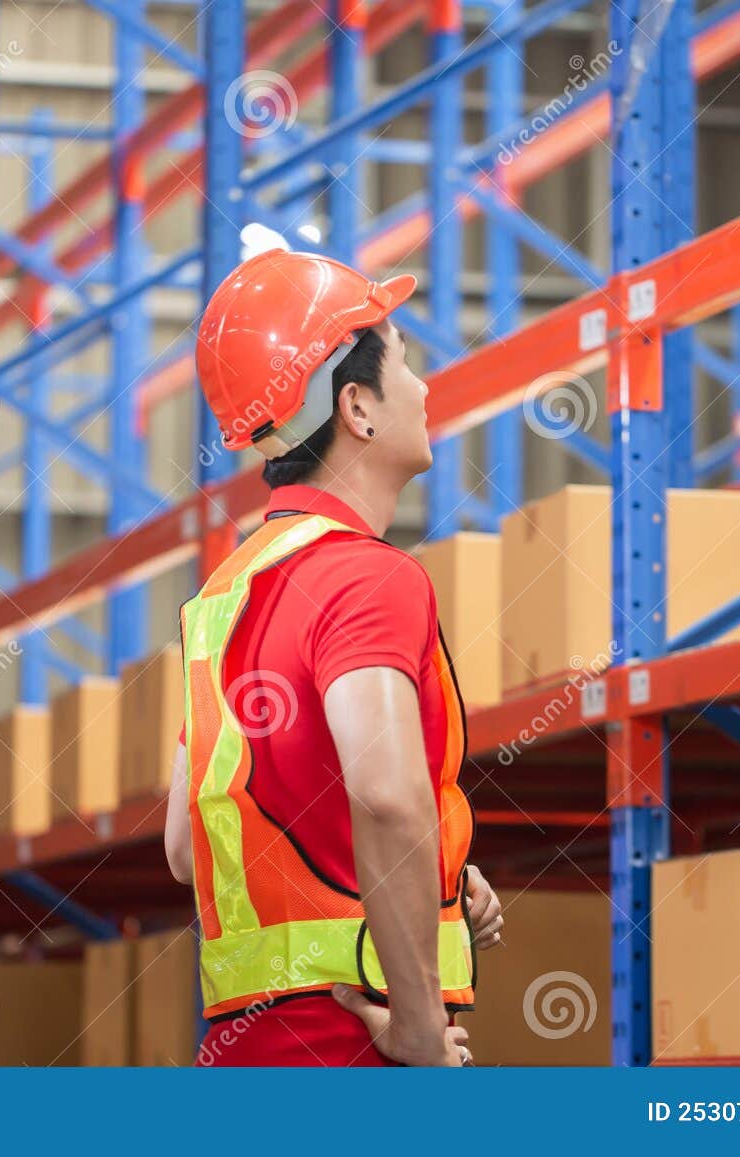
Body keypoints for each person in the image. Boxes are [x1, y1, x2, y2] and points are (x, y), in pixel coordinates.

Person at [163, 249, 504, 1067]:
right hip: (354, 1047)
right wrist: (419, 1026)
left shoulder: (226, 596)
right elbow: (386, 795)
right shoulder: (366, 576)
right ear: (356, 406)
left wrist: (441, 874)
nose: (424, 388)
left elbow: (186, 845)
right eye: (407, 362)